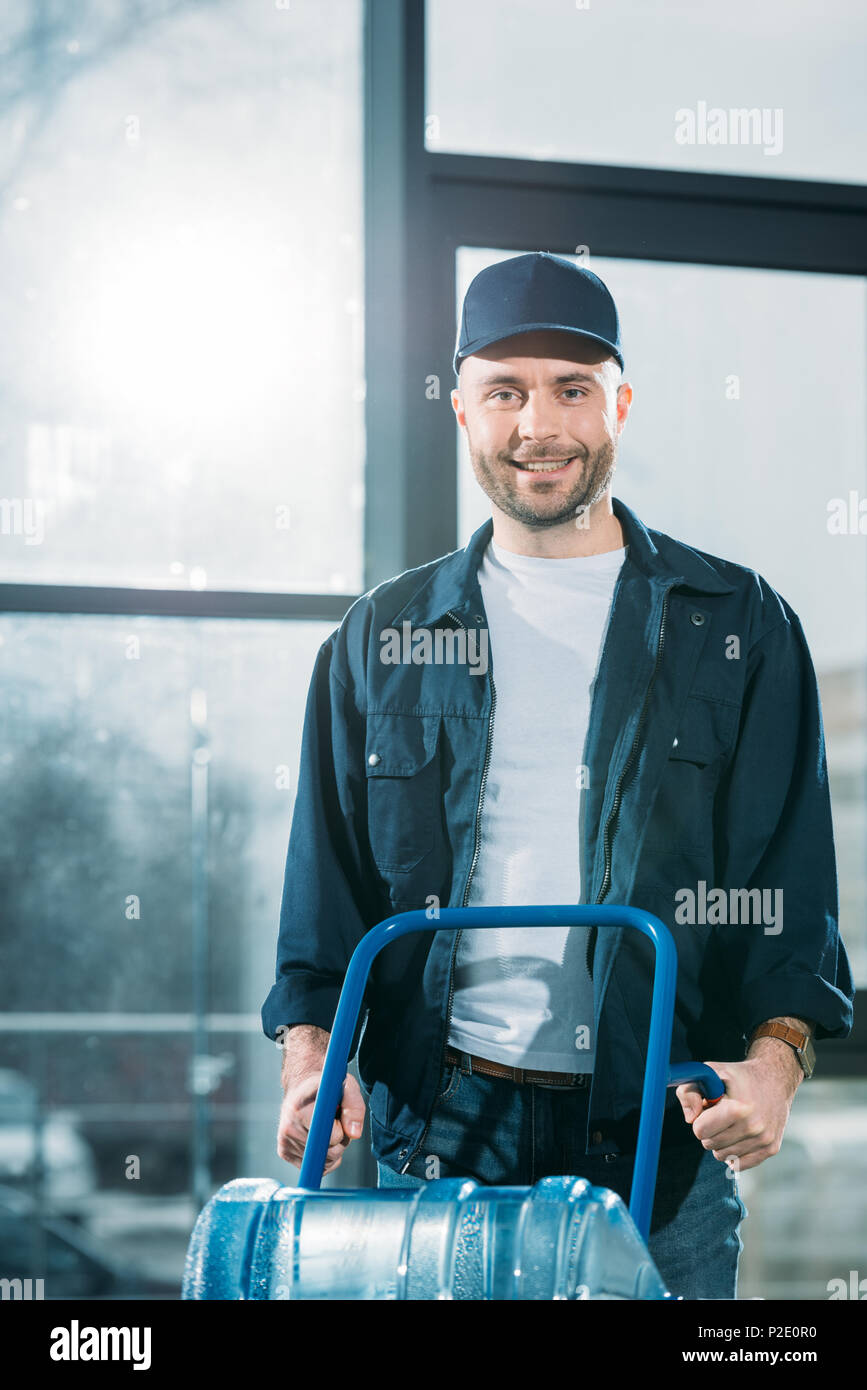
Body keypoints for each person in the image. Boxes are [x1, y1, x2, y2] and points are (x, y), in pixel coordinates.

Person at [262, 252, 854, 1299]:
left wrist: (776, 1064)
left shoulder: (736, 626)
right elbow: (328, 894)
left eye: (573, 388)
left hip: (652, 1143)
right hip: (438, 1137)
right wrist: (312, 1057)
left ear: (620, 403)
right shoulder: (383, 637)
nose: (541, 423)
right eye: (507, 391)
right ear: (461, 410)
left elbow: (790, 888)